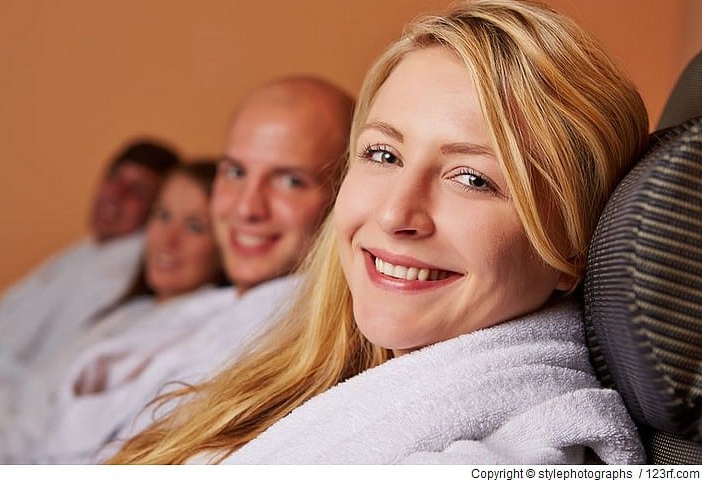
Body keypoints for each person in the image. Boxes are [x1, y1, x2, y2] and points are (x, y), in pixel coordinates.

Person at [109, 0, 650, 465]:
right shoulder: (301, 370)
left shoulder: (529, 451)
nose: (395, 214)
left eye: (472, 178)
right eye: (383, 153)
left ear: (570, 250)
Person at [0, 76, 355, 464]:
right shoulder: (209, 311)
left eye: (290, 180)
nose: (246, 208)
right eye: (234, 172)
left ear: (345, 194)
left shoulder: (292, 341)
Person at [0, 160, 225, 462]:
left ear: (224, 241)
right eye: (163, 215)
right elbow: (33, 387)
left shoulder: (187, 331)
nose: (168, 240)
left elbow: (69, 447)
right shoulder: (135, 309)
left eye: (195, 226)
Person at [0, 140, 179, 407]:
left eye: (137, 191)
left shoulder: (116, 275)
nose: (115, 194)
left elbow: (39, 376)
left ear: (155, 211)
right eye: (114, 179)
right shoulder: (89, 251)